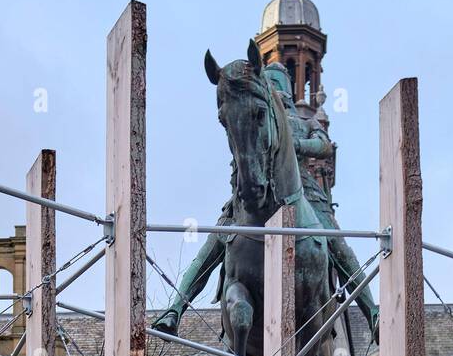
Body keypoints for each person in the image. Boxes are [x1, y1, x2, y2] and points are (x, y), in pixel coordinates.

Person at [152, 61, 377, 339]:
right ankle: (174, 309)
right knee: (214, 243)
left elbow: (324, 147)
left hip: (305, 195)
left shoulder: (308, 123)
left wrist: (293, 144)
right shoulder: (253, 112)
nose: (278, 91)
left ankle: (373, 313)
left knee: (337, 246)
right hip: (252, 192)